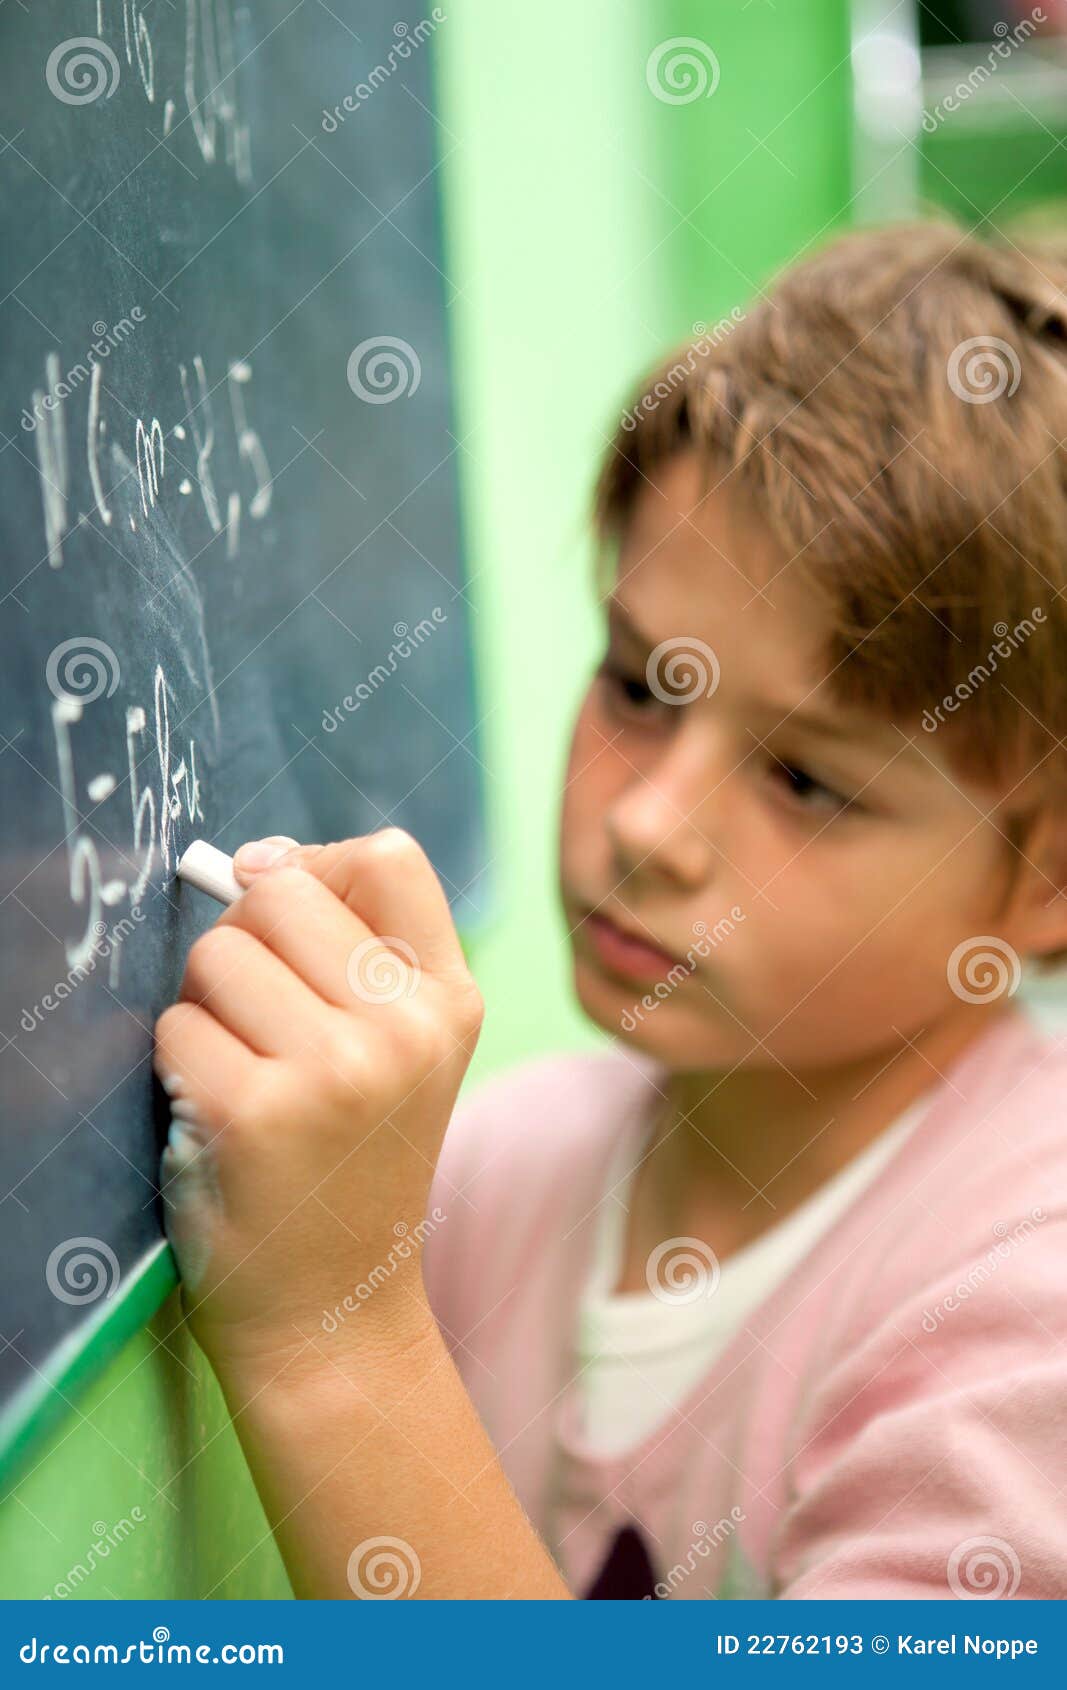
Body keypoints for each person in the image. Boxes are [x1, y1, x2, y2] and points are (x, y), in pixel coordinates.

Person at [155, 221, 1067, 1600]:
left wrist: (335, 1339)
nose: (647, 826)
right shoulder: (493, 1173)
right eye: (644, 686)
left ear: (1049, 875)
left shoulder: (1029, 1314)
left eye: (809, 780)